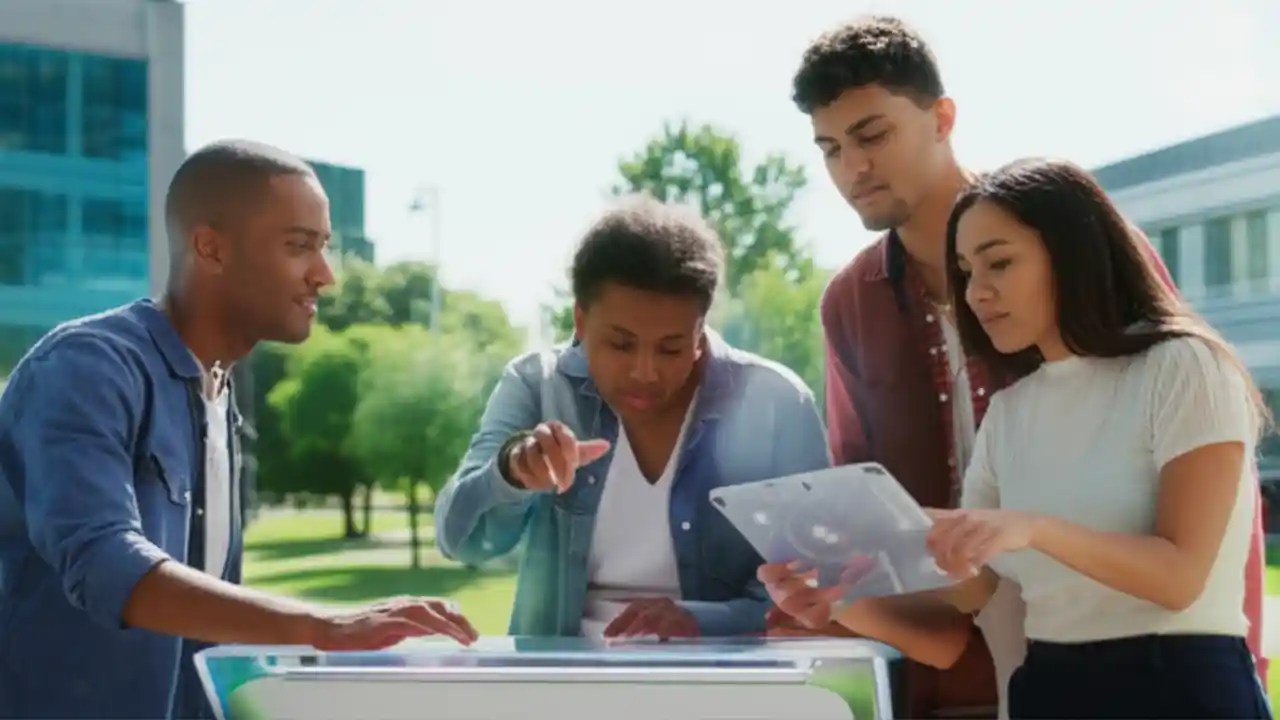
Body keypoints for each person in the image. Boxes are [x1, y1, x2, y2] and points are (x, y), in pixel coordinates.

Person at [781, 15, 1267, 719]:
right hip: (991, 669)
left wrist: (1238, 650)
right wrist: (843, 596)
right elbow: (911, 537)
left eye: (873, 135)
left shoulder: (1157, 334)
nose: (852, 167)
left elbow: (1209, 530)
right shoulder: (857, 308)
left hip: (1172, 670)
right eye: (829, 148)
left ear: (942, 118)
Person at [0, 140, 478, 720]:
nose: (324, 275)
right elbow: (106, 565)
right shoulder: (87, 368)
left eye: (324, 247)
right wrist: (322, 626)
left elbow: (206, 636)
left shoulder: (218, 394)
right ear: (211, 248)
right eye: (299, 246)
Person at [434, 195, 830, 640]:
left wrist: (699, 620)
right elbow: (461, 541)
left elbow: (817, 587)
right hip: (563, 682)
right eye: (621, 344)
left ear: (700, 332)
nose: (645, 371)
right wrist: (510, 474)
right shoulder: (537, 384)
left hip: (718, 684)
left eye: (671, 347)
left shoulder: (776, 402)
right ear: (580, 321)